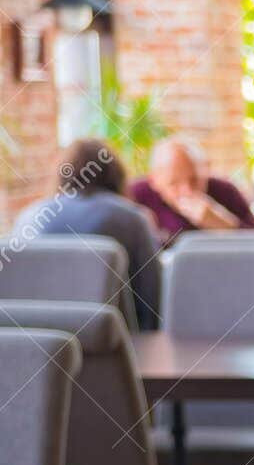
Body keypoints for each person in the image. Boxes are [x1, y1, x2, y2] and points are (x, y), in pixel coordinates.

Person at [15, 138, 162, 329]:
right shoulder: (133, 218)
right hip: (111, 344)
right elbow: (152, 296)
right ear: (116, 174)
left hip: (38, 342)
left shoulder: (28, 217)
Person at [129, 137, 254, 238]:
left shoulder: (226, 191)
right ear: (153, 181)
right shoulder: (135, 195)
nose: (187, 191)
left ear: (206, 170)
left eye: (194, 180)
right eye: (173, 183)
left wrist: (224, 225)